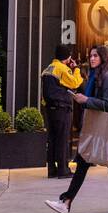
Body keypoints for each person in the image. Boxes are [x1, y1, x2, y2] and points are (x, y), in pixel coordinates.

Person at [45, 45, 108, 213]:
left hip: (105, 127)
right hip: (96, 126)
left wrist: (86, 100)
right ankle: (67, 201)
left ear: (103, 57)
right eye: (90, 55)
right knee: (84, 162)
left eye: (95, 56)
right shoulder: (96, 75)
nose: (92, 58)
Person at [40, 43, 83, 178]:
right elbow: (75, 82)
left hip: (49, 109)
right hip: (61, 108)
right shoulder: (62, 69)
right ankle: (63, 170)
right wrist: (76, 68)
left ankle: (52, 169)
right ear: (67, 58)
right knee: (63, 139)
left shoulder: (49, 68)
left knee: (52, 139)